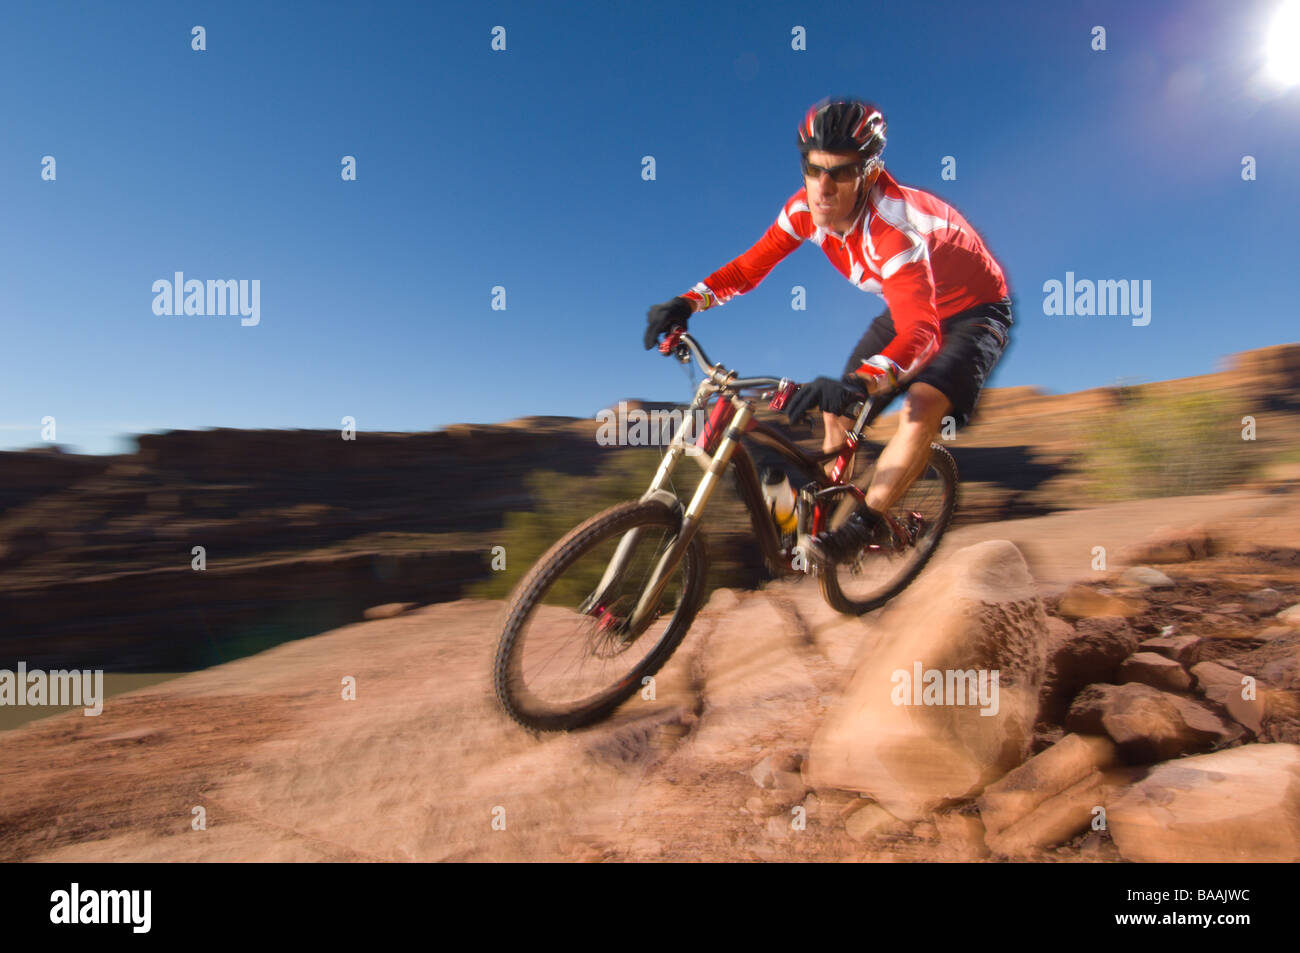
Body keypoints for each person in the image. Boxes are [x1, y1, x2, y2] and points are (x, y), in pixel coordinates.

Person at [643, 97, 1013, 564]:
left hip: (973, 311)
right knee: (836, 415)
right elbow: (748, 268)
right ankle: (820, 519)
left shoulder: (894, 230)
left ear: (870, 173)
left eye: (840, 172)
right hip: (907, 302)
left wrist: (862, 380)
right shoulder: (804, 209)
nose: (823, 187)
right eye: (813, 169)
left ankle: (862, 527)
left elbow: (922, 331)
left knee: (921, 405)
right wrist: (687, 301)